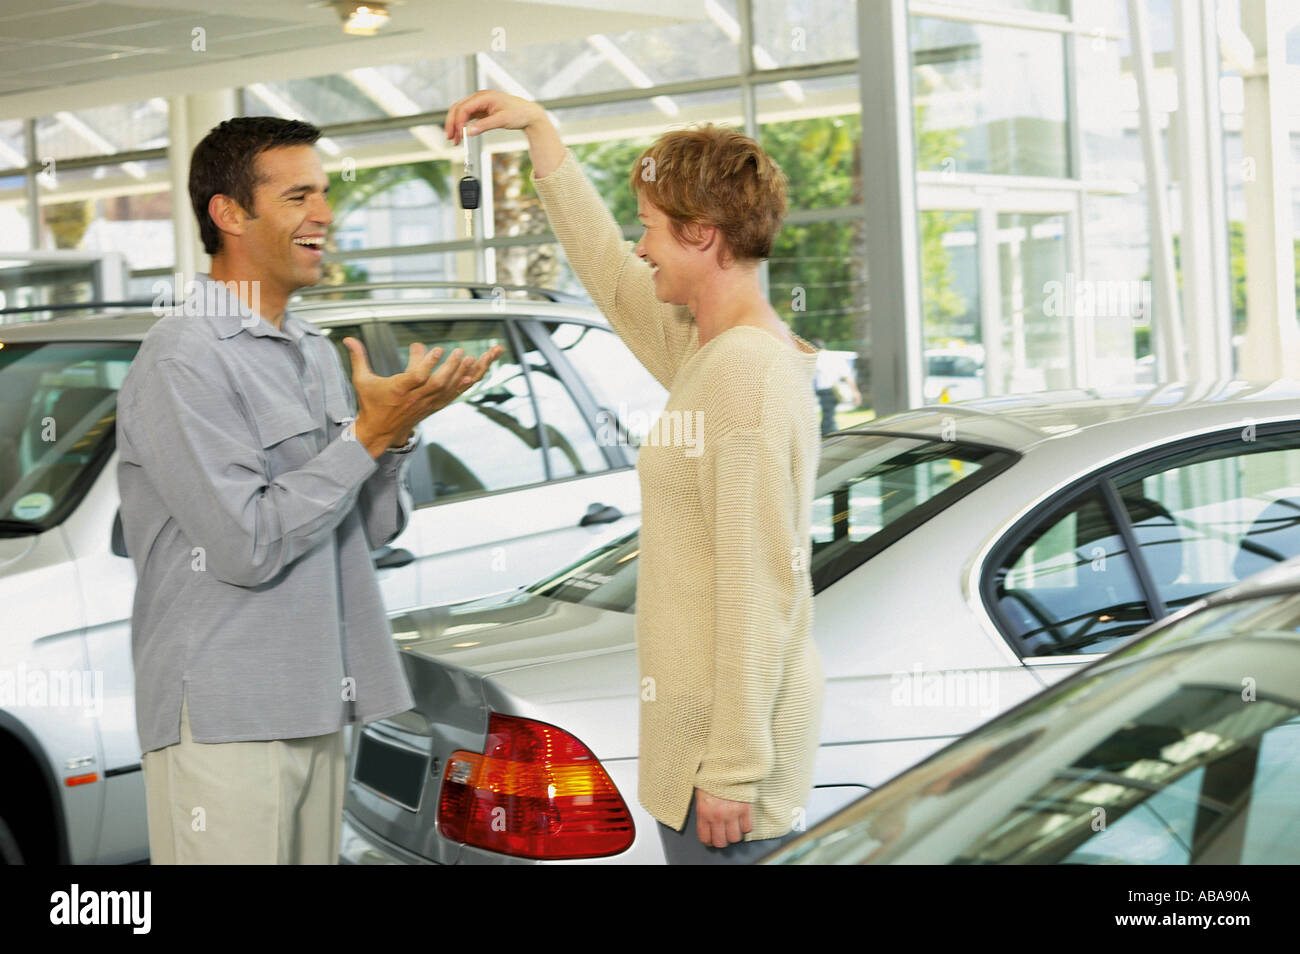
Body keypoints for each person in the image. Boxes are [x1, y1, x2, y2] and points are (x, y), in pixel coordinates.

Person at [445, 91, 825, 864]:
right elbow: (609, 273)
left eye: (650, 227)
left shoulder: (742, 378)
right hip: (703, 762)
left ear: (701, 234)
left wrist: (733, 769)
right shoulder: (707, 348)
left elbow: (758, 583)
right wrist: (540, 132)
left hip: (726, 780)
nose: (641, 245)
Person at [116, 117, 500, 864]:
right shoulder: (183, 359)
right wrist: (365, 437)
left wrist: (395, 432)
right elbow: (247, 545)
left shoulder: (317, 351)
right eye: (299, 196)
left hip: (318, 697)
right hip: (225, 715)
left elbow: (372, 529)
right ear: (230, 214)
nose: (325, 213)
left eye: (323, 193)